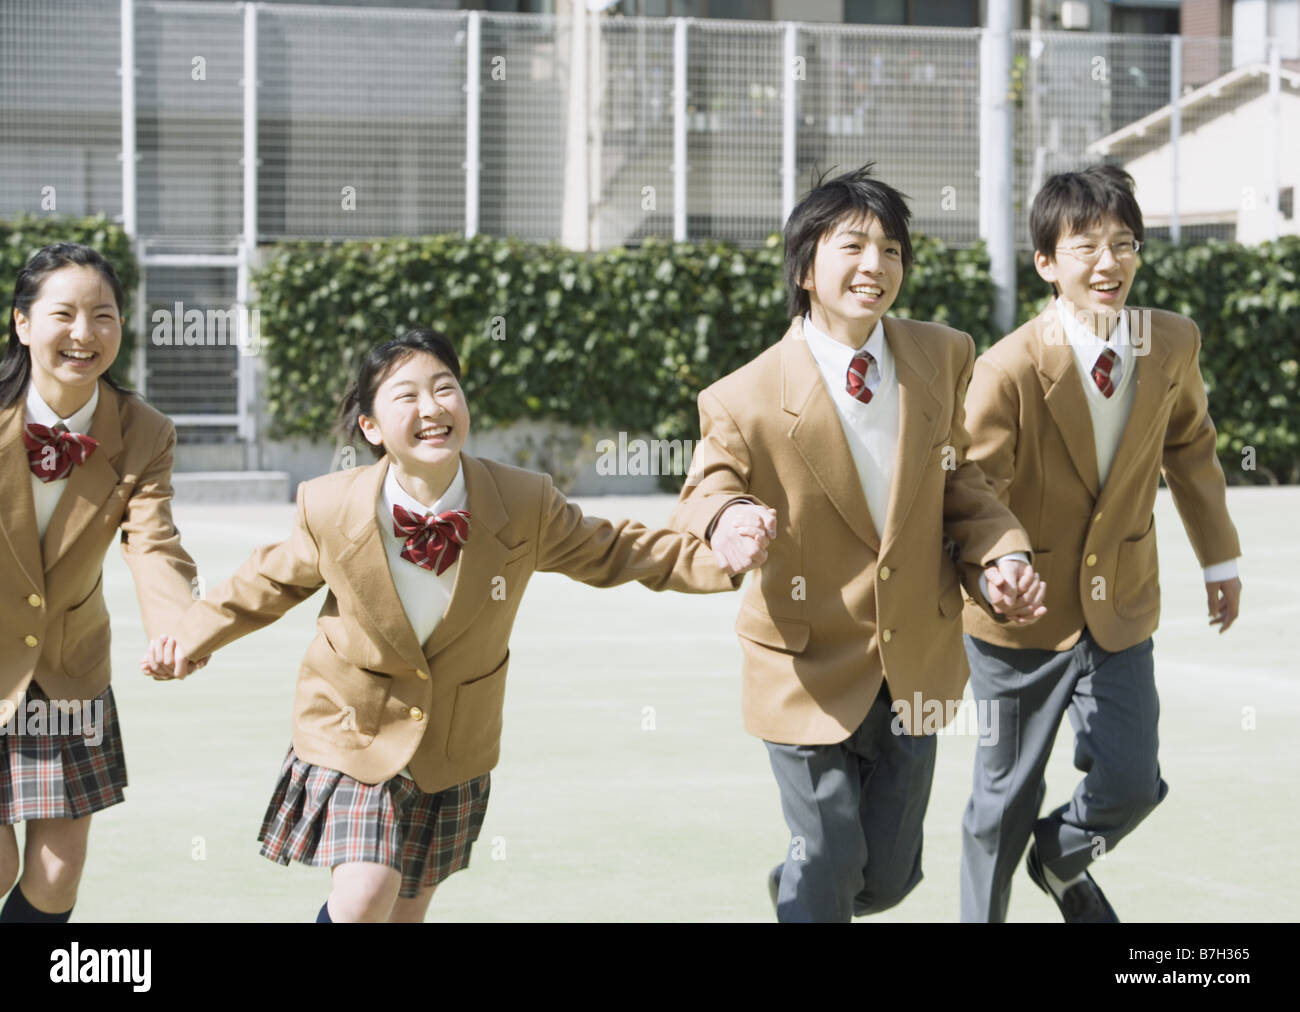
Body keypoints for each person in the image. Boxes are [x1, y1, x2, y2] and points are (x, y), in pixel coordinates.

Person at [141, 328, 772, 923]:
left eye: (445, 387)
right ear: (370, 426)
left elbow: (615, 549)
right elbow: (267, 582)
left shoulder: (522, 501)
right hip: (351, 726)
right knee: (365, 895)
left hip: (454, 740)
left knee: (403, 912)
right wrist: (189, 637)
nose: (432, 407)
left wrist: (720, 556)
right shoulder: (330, 505)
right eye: (406, 396)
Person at [671, 164, 1045, 923]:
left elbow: (961, 483)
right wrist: (729, 518)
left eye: (892, 250)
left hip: (915, 661)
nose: (876, 265)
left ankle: (798, 889)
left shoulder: (943, 356)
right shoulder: (742, 396)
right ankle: (810, 887)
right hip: (803, 664)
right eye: (853, 246)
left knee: (888, 879)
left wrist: (1003, 555)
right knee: (832, 857)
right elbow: (704, 490)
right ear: (805, 269)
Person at [959, 164, 1243, 923]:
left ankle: (1059, 857)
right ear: (1046, 264)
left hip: (1122, 601)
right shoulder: (1007, 369)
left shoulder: (1172, 342)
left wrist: (1219, 559)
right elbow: (974, 489)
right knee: (1002, 803)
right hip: (1020, 618)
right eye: (1085, 247)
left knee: (1131, 781)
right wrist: (997, 569)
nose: (1108, 263)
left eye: (1124, 244)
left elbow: (1191, 449)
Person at [0, 242, 199, 923]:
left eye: (103, 315)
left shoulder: (145, 431)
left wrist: (176, 628)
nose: (84, 333)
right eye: (63, 314)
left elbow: (153, 541)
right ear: (23, 322)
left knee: (56, 876)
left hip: (67, 666)